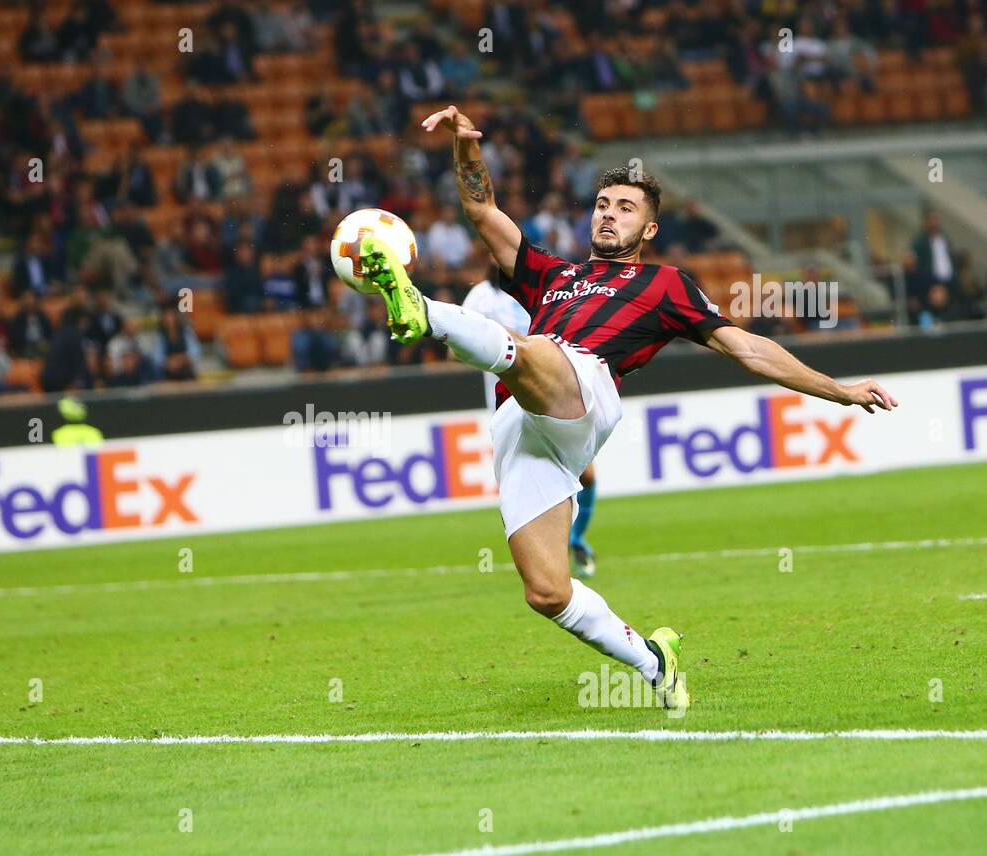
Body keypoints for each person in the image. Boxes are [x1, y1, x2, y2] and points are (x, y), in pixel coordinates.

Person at [356, 105, 899, 710]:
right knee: (547, 591)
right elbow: (483, 213)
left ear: (648, 230)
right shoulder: (553, 276)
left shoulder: (666, 285)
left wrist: (839, 389)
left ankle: (421, 310)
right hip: (522, 423)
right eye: (603, 204)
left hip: (583, 389)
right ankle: (653, 662)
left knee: (535, 350)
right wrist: (465, 147)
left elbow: (745, 347)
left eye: (625, 208)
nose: (609, 214)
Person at [464, 261, 602, 581]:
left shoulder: (541, 292)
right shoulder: (480, 299)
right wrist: (498, 347)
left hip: (553, 389)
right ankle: (546, 562)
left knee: (588, 476)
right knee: (532, 486)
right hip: (508, 401)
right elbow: (454, 350)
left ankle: (575, 542)